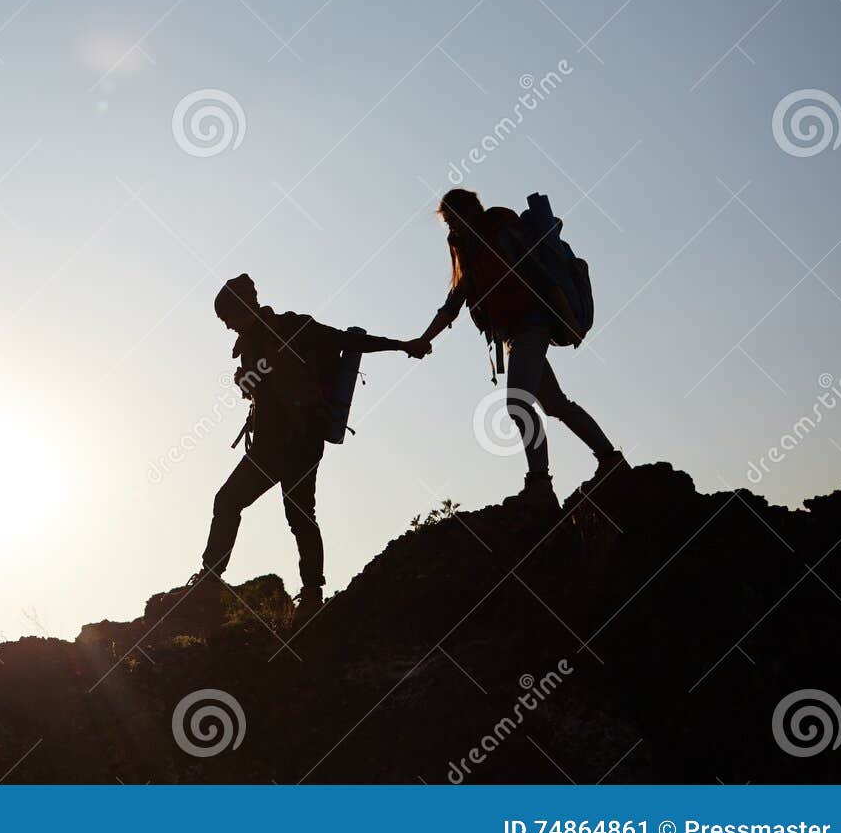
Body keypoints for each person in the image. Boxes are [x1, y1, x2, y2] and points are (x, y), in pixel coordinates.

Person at [190, 273, 427, 624]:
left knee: (297, 515)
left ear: (244, 307)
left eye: (228, 319)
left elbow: (347, 341)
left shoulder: (295, 327)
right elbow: (265, 389)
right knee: (234, 502)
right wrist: (246, 383)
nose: (227, 328)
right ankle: (213, 581)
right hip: (270, 447)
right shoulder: (250, 344)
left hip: (300, 443)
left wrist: (403, 345)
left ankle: (311, 595)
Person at [413, 188, 625, 505]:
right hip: (513, 336)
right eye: (448, 224)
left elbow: (537, 271)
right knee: (554, 404)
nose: (451, 229)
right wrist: (423, 339)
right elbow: (452, 305)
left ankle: (540, 483)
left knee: (517, 404)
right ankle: (610, 461)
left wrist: (567, 317)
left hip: (532, 324)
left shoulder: (500, 230)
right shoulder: (468, 253)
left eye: (452, 220)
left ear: (470, 211)